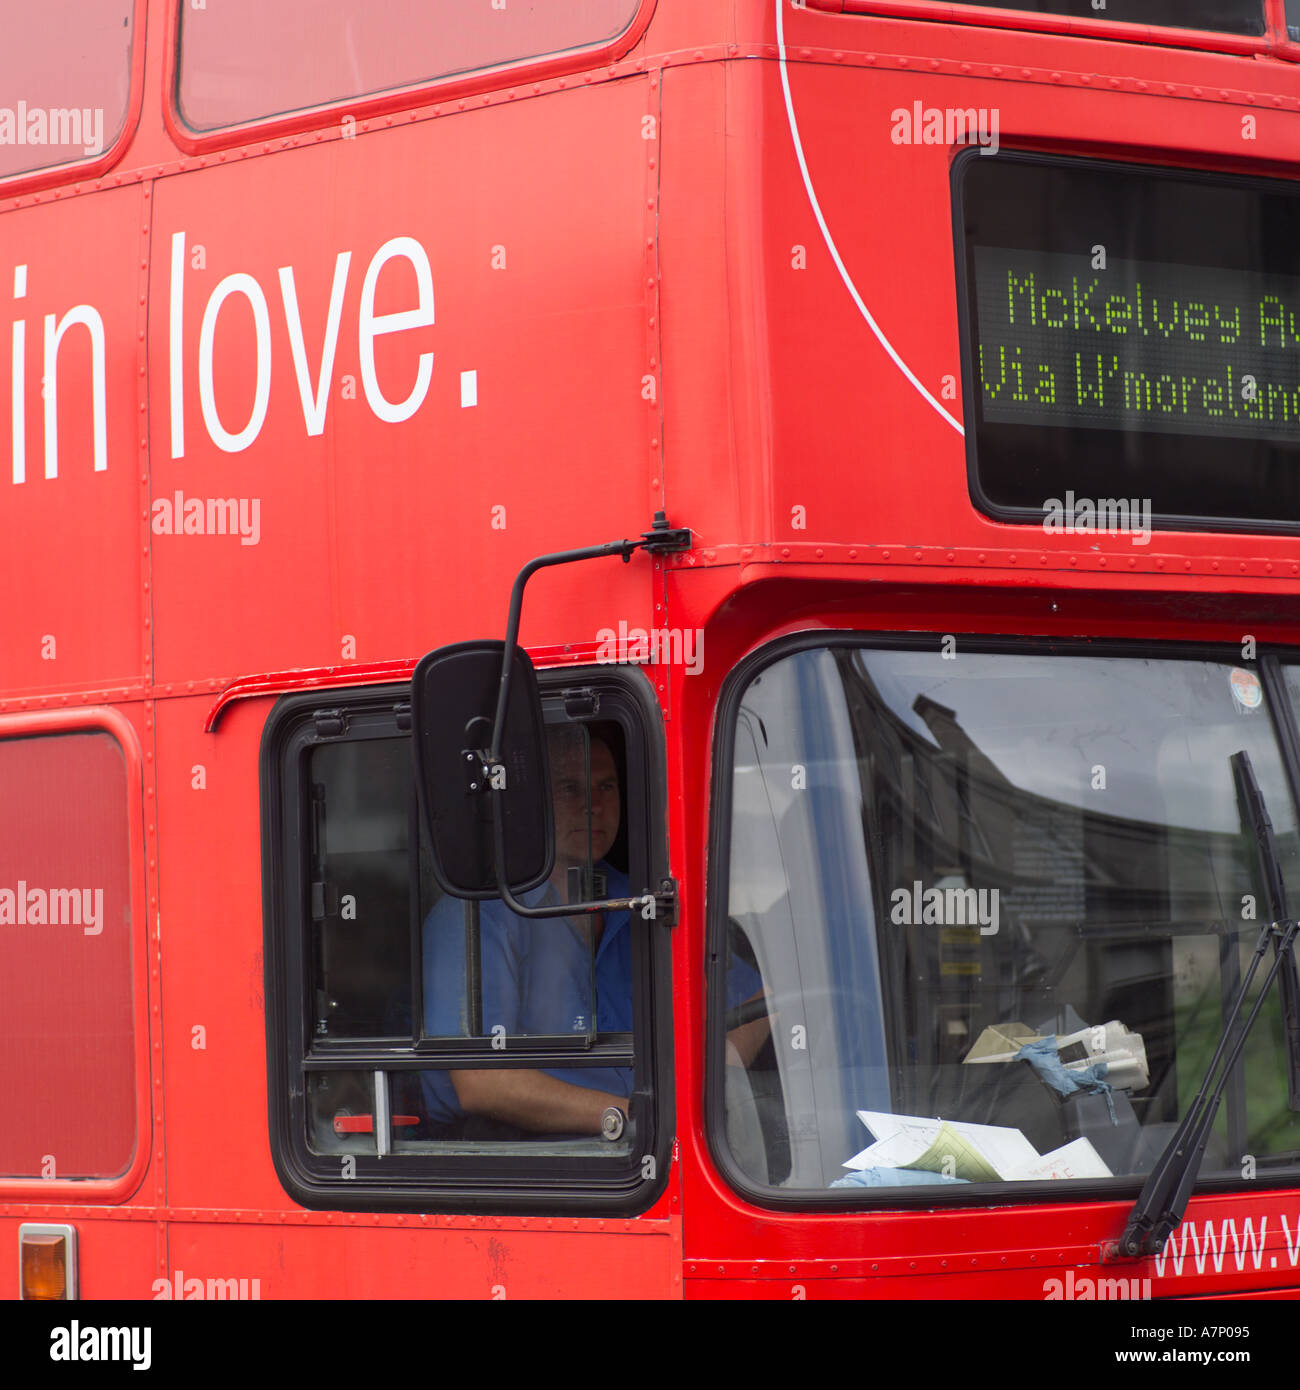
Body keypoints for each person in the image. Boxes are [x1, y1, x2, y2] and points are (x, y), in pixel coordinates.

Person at [419, 725, 764, 1137]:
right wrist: (636, 1118)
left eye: (606, 786)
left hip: (651, 1143)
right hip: (523, 1158)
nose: (593, 806)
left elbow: (760, 1003)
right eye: (569, 788)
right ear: (527, 802)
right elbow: (483, 1083)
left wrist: (708, 1084)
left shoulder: (645, 899)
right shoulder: (475, 916)